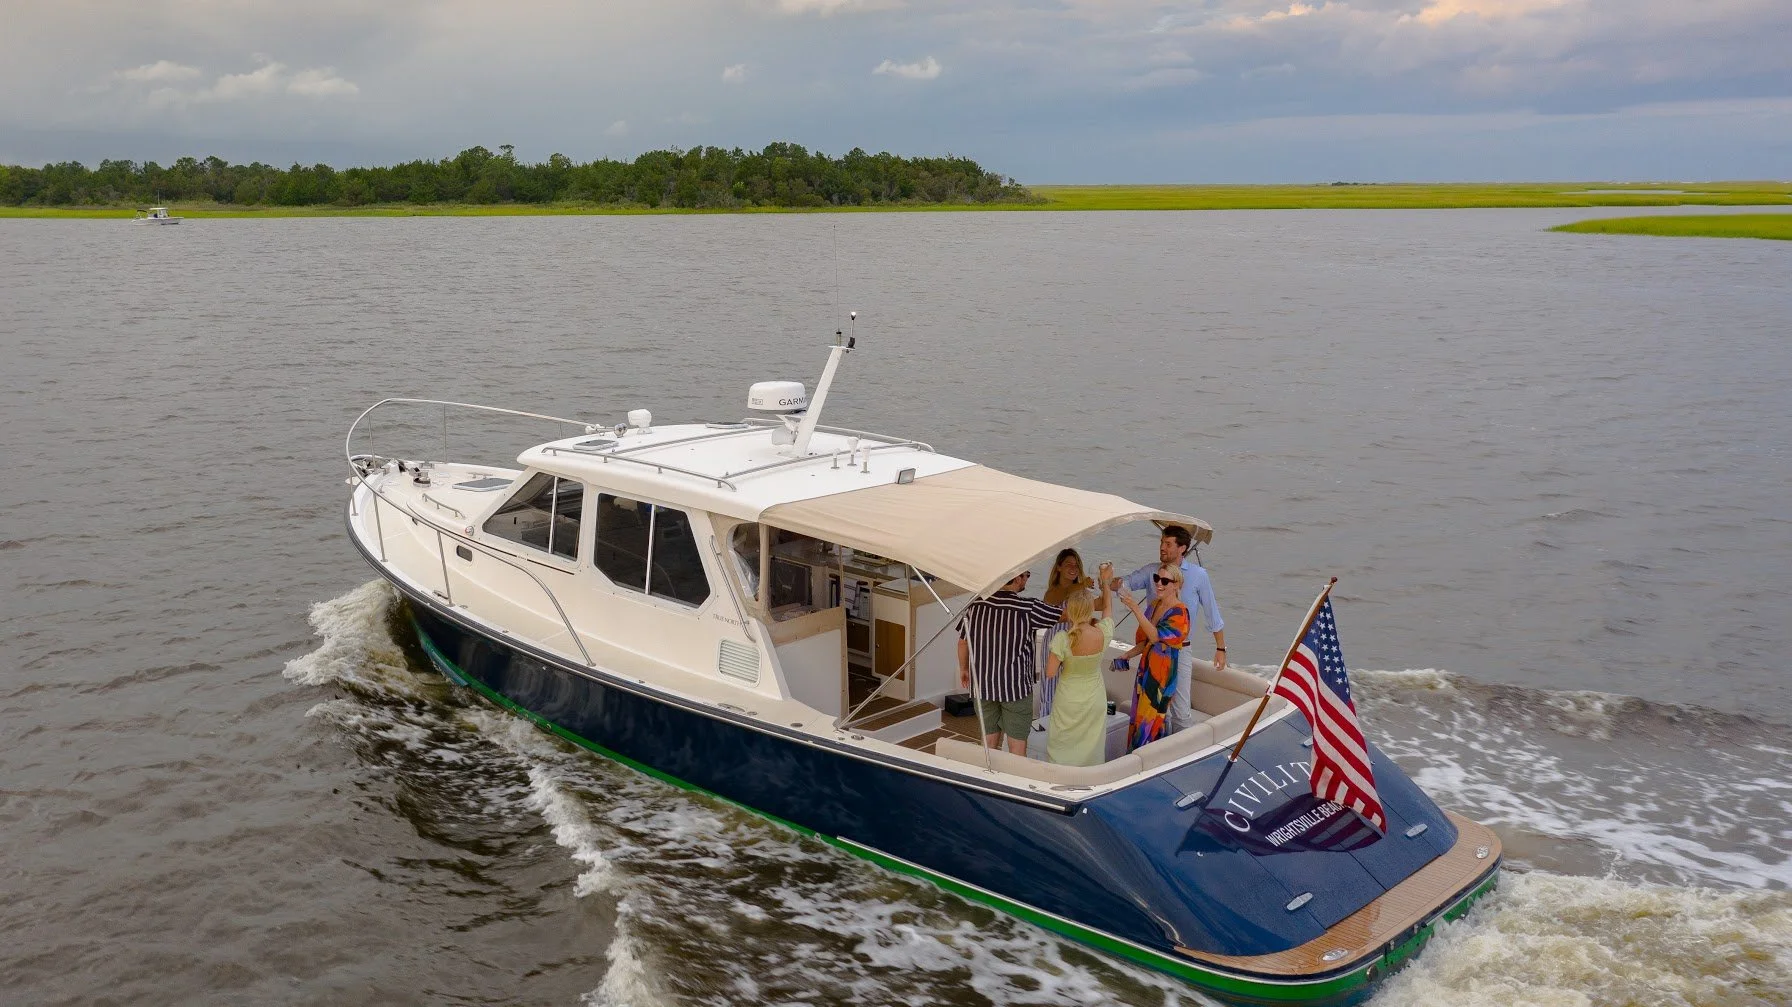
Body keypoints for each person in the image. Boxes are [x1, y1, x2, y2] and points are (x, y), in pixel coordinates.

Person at [1111, 525, 1226, 733]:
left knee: (1180, 713)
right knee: (1155, 711)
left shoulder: (1199, 575)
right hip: (1151, 651)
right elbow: (1125, 584)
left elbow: (1212, 612)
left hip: (1179, 650)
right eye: (1161, 542)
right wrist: (1114, 582)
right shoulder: (1151, 571)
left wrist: (1220, 648)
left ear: (1182, 548)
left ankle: (1182, 755)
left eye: (1168, 544)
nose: (1162, 547)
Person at [956, 570, 1063, 755]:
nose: (1027, 579)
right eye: (1026, 575)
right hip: (1015, 689)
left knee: (988, 743)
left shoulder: (976, 605)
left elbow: (963, 641)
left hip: (982, 686)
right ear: (1017, 578)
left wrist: (964, 668)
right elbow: (1065, 615)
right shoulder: (1028, 608)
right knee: (1017, 747)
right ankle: (1012, 780)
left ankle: (987, 779)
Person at [1117, 563, 1190, 750]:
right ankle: (1134, 759)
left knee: (1151, 723)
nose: (1158, 584)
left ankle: (1144, 762)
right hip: (1146, 671)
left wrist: (1135, 607)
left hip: (1162, 678)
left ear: (1176, 585)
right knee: (1138, 718)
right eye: (1157, 579)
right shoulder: (1154, 605)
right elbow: (1146, 642)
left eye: (1164, 581)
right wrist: (1128, 654)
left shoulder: (1180, 614)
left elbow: (1156, 636)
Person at [1044, 582, 1114, 766]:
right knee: (1092, 745)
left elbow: (1050, 673)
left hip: (1069, 698)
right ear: (1091, 609)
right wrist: (1106, 583)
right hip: (1094, 697)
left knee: (1063, 742)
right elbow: (1107, 608)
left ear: (1069, 610)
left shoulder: (1062, 639)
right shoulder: (1102, 633)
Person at [1038, 550, 1109, 717]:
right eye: (1068, 564)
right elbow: (1058, 596)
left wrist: (1105, 584)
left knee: (1070, 685)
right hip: (1055, 641)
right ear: (1059, 568)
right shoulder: (1053, 591)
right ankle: (1047, 721)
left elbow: (1101, 604)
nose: (1073, 567)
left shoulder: (1080, 592)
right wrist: (1083, 584)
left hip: (1076, 641)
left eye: (1076, 565)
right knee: (1050, 685)